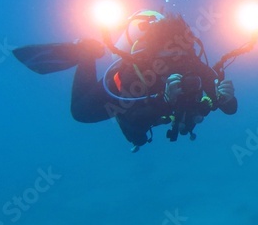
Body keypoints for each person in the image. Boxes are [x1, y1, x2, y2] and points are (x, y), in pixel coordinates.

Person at [14, 10, 238, 151]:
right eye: (168, 55)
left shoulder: (194, 65)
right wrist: (164, 100)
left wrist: (227, 98)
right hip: (129, 101)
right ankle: (86, 53)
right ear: (154, 53)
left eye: (180, 54)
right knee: (81, 113)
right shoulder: (136, 69)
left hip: (158, 112)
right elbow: (128, 112)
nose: (175, 62)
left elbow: (227, 106)